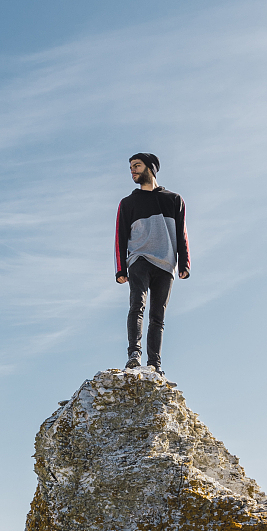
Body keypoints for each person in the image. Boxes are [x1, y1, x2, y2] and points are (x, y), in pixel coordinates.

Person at [113, 152, 191, 372]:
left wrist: (184, 263)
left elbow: (181, 233)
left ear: (150, 168)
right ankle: (134, 355)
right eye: (130, 167)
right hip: (140, 258)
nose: (132, 171)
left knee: (158, 316)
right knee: (137, 304)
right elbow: (120, 236)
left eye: (137, 166)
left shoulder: (174, 200)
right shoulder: (128, 203)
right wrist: (120, 268)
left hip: (166, 264)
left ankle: (154, 364)